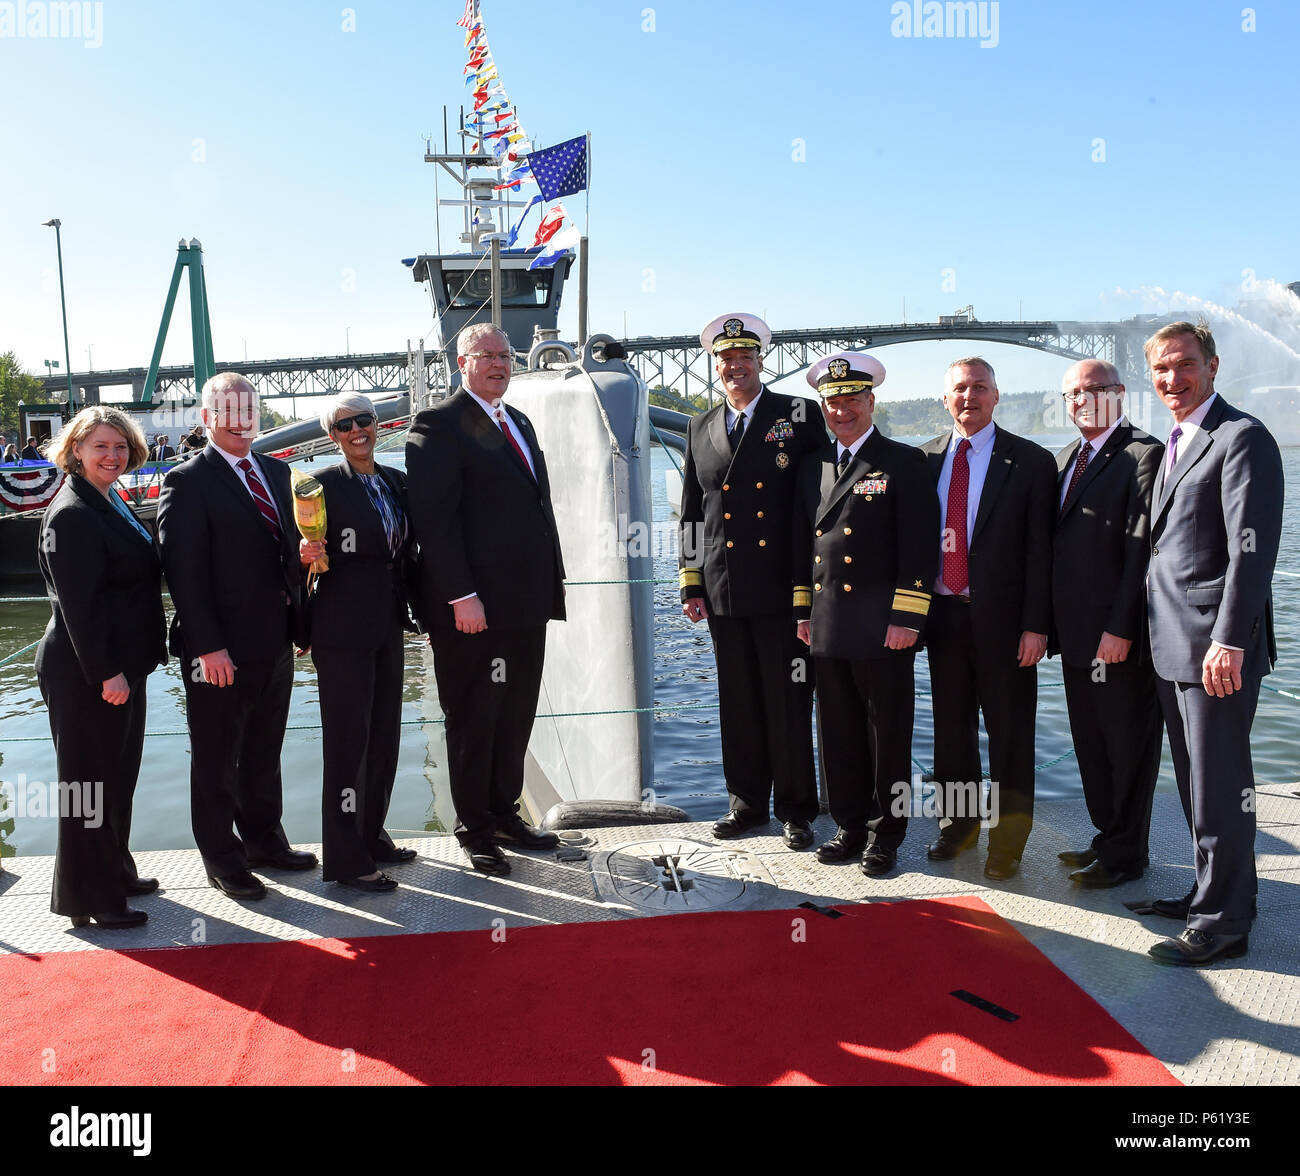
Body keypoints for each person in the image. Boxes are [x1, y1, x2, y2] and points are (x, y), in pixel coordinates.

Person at [1143, 321, 1283, 966]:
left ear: (1214, 365)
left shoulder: (1241, 437)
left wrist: (1229, 639)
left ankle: (1224, 924)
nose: (1174, 379)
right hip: (1174, 642)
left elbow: (1251, 556)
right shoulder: (1176, 441)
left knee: (1222, 784)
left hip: (1214, 648)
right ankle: (1210, 892)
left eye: (1186, 365)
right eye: (1162, 369)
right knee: (1198, 782)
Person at [405, 323, 566, 876]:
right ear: (461, 361)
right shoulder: (438, 424)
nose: (500, 363)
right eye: (488, 355)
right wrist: (461, 595)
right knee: (474, 717)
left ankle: (504, 813)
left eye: (507, 354)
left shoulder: (517, 420)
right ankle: (474, 830)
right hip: (473, 610)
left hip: (524, 602)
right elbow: (435, 521)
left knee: (515, 712)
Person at [157, 373, 317, 901]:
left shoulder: (277, 472)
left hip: (274, 639)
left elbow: (281, 548)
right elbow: (184, 573)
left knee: (264, 749)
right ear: (206, 419)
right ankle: (222, 860)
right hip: (218, 649)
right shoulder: (186, 481)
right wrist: (207, 647)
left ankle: (264, 842)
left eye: (249, 409)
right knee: (216, 756)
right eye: (228, 411)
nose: (240, 420)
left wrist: (304, 562)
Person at [679, 312, 825, 849]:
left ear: (761, 361)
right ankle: (746, 805)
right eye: (725, 359)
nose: (734, 366)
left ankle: (795, 810)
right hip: (724, 588)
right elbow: (692, 513)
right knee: (737, 699)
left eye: (744, 358)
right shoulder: (701, 426)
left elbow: (819, 505)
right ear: (715, 365)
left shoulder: (800, 414)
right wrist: (691, 583)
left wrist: (813, 585)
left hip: (786, 587)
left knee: (788, 697)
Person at [794, 353, 939, 875]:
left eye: (852, 399)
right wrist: (802, 612)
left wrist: (909, 618)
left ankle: (886, 835)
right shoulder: (814, 466)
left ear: (871, 401)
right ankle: (850, 826)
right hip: (828, 625)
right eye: (833, 401)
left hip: (884, 627)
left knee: (888, 736)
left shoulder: (902, 462)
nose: (842, 409)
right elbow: (801, 545)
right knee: (838, 734)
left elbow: (921, 549)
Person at [919, 357, 1056, 881]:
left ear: (996, 396)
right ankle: (959, 828)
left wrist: (1036, 625)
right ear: (945, 399)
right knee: (951, 736)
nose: (969, 396)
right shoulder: (924, 460)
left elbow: (1041, 552)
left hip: (1007, 626)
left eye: (980, 387)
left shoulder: (1031, 462)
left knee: (1011, 736)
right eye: (959, 388)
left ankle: (1009, 843)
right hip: (943, 621)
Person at [35, 407, 167, 928]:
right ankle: (90, 898)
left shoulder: (110, 500)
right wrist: (107, 672)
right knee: (86, 786)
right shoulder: (71, 513)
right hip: (87, 673)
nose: (111, 456)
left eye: (119, 447)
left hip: (121, 667)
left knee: (118, 778)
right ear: (75, 452)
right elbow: (78, 605)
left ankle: (114, 869)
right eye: (99, 447)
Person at [299, 394, 421, 893]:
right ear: (332, 436)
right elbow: (296, 556)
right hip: (341, 631)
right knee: (348, 745)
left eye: (363, 420)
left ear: (378, 424)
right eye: (343, 425)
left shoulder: (395, 481)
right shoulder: (319, 487)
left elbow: (411, 553)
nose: (356, 431)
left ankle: (372, 835)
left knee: (384, 739)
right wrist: (303, 552)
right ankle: (347, 859)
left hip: (389, 624)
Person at [1050, 359, 1164, 888]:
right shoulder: (1067, 457)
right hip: (1075, 638)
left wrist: (1121, 629)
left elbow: (1141, 551)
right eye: (1074, 393)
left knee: (1127, 747)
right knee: (1092, 744)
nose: (1082, 400)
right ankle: (1106, 838)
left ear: (1120, 394)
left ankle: (1127, 856)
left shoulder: (1143, 454)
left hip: (1116, 639)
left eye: (1095, 390)